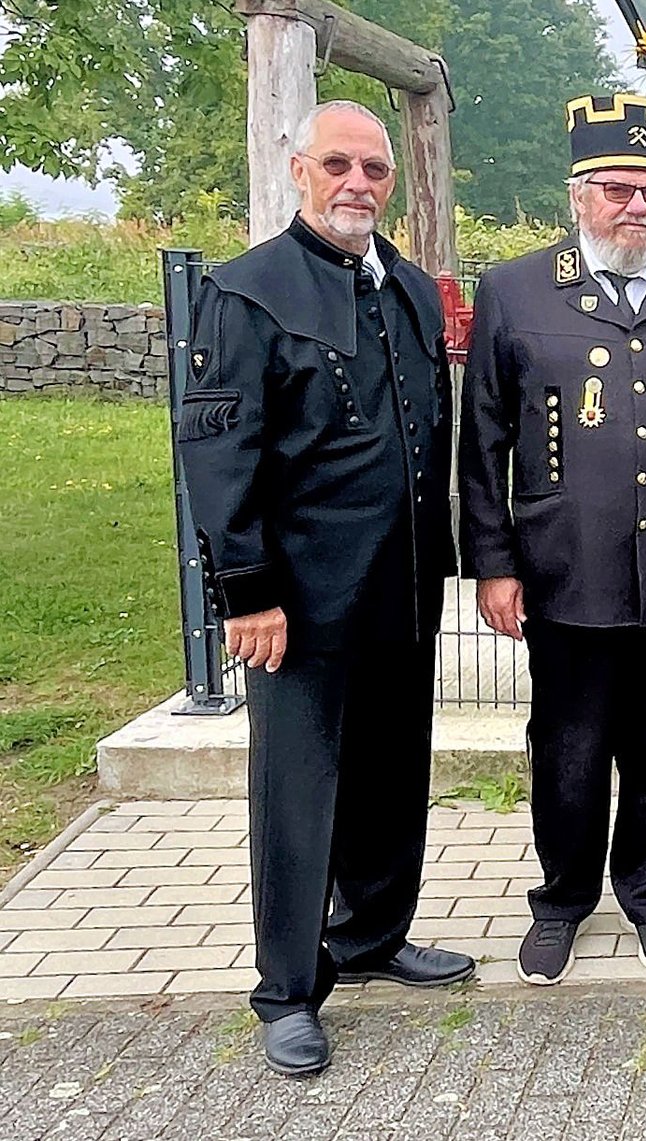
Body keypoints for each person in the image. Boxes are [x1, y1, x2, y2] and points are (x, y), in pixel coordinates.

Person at [178, 99, 474, 1076]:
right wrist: (247, 590)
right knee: (299, 792)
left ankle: (372, 938)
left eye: (374, 170)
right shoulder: (249, 290)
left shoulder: (412, 294)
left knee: (393, 775)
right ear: (300, 169)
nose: (358, 184)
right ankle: (287, 988)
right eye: (338, 165)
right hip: (298, 604)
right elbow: (221, 451)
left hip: (402, 587)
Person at [458, 84, 646, 987]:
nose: (638, 207)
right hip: (565, 572)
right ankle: (561, 901)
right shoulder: (515, 291)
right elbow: (483, 443)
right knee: (568, 748)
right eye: (619, 189)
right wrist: (492, 564)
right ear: (579, 194)